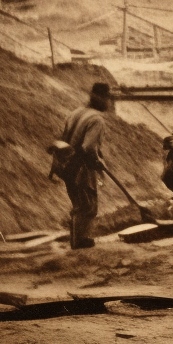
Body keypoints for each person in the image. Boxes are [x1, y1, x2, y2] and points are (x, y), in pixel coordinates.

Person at [59, 81, 110, 249]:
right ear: (102, 99)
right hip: (81, 167)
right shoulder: (97, 120)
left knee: (78, 204)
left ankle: (76, 242)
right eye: (108, 99)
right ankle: (81, 244)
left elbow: (69, 138)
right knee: (88, 206)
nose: (109, 103)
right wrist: (97, 162)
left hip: (65, 166)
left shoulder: (75, 113)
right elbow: (88, 147)